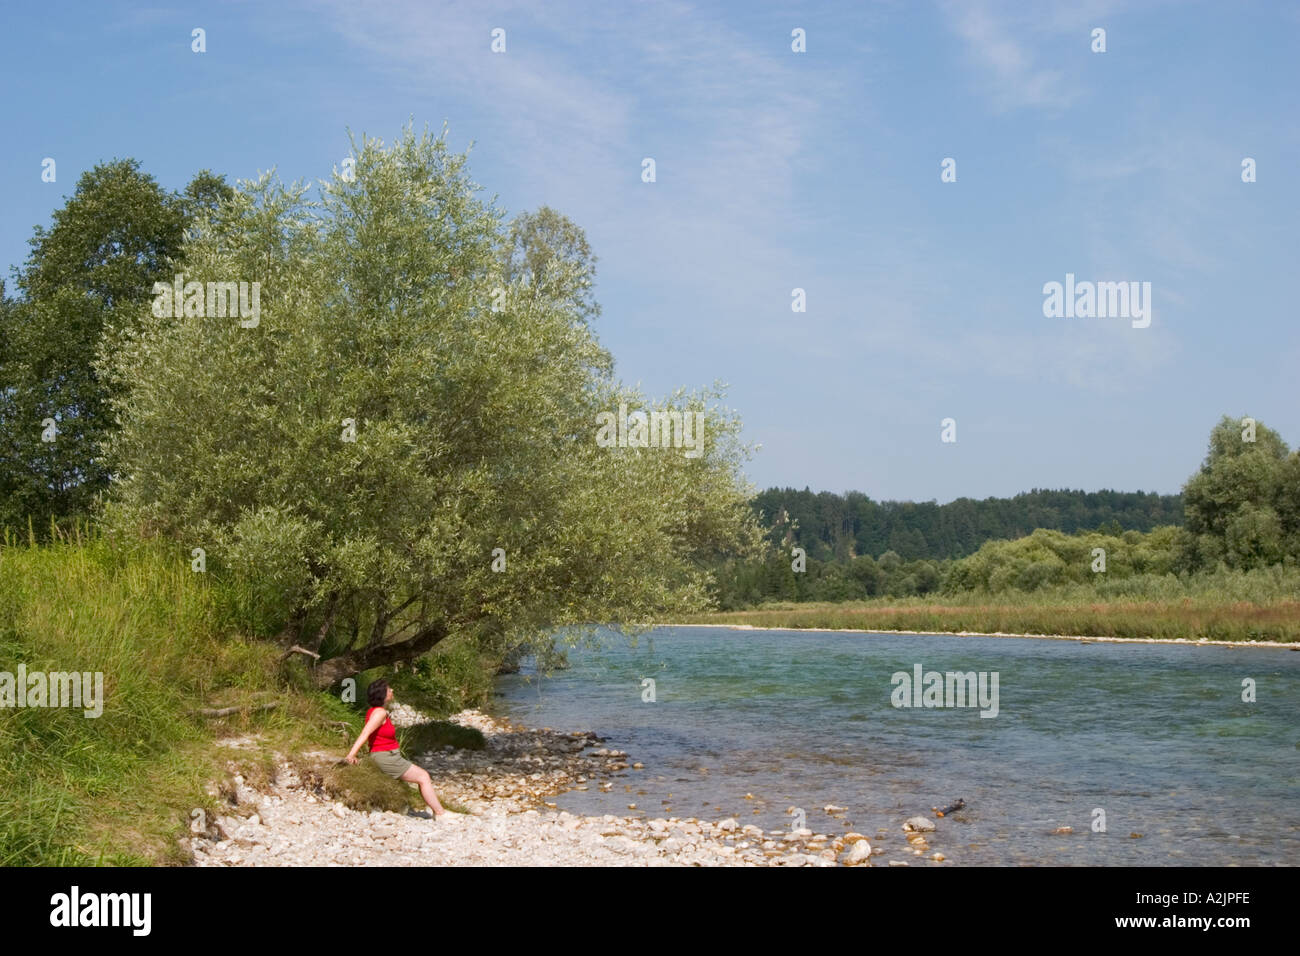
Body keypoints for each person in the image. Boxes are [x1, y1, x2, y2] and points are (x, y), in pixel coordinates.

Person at [345, 678, 450, 820]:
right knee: (423, 777)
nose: (392, 690)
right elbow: (365, 733)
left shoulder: (376, 711)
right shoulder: (379, 713)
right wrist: (351, 755)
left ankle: (438, 811)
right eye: (389, 689)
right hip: (386, 757)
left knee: (421, 776)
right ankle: (440, 814)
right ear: (382, 694)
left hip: (387, 756)